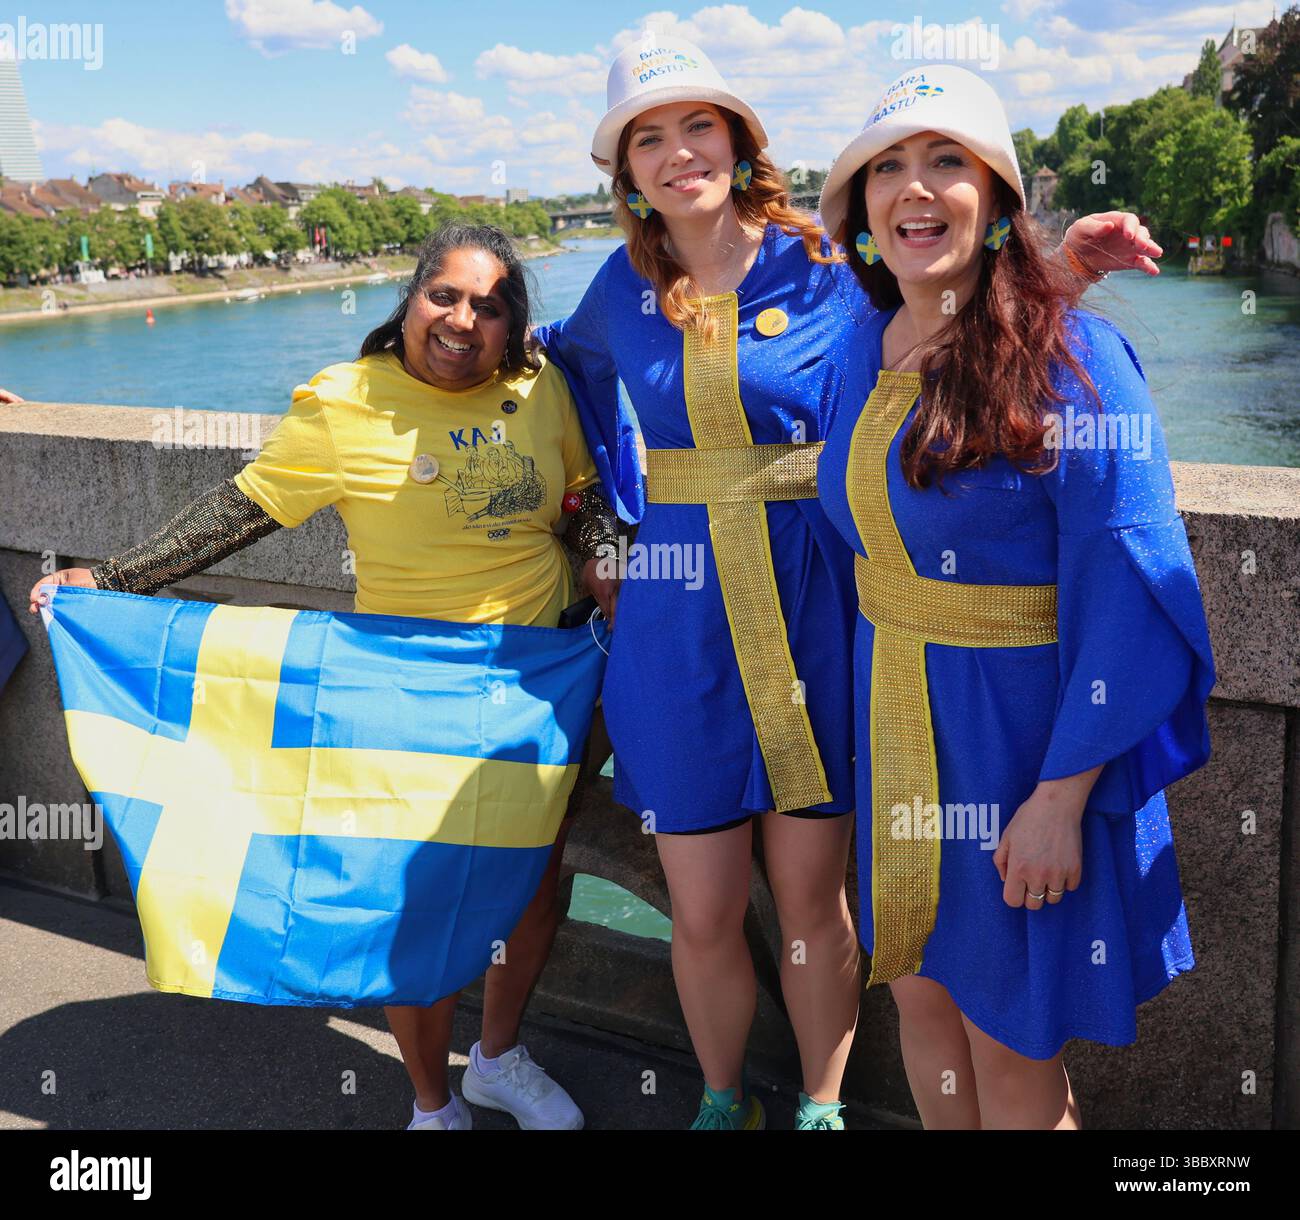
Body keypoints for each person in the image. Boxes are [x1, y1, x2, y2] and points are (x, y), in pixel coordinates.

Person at [533, 36, 1160, 1129]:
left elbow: (958, 307)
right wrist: (602, 519)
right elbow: (562, 377)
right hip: (740, 643)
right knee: (853, 960)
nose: (678, 152)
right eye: (649, 135)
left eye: (700, 126)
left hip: (852, 632)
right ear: (623, 168)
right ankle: (725, 1099)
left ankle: (819, 1106)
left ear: (740, 145)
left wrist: (1061, 271)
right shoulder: (622, 292)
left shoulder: (822, 263)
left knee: (950, 994)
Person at [30, 223, 619, 1132]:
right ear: (411, 299)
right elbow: (243, 509)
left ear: (512, 326)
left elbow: (577, 504)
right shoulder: (346, 402)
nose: (463, 319)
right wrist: (109, 581)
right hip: (402, 697)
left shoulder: (540, 391)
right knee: (407, 901)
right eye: (445, 296)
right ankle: (433, 1100)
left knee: (532, 888)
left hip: (533, 687)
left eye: (489, 306)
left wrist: (607, 555)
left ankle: (499, 1057)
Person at [815, 64, 1215, 1129]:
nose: (915, 188)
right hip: (895, 731)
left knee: (1010, 1045)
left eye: (948, 161)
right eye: (886, 166)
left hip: (1017, 752)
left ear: (995, 198)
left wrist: (1060, 796)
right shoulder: (859, 347)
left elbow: (1132, 578)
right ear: (856, 211)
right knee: (922, 1001)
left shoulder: (1078, 361)